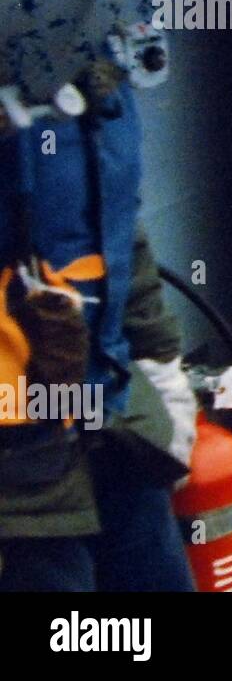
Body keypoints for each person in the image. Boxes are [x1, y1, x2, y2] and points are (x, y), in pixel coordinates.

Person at [0, 62, 197, 591]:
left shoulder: (91, 65)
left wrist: (160, 364)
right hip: (21, 490)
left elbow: (114, 230)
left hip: (113, 427)